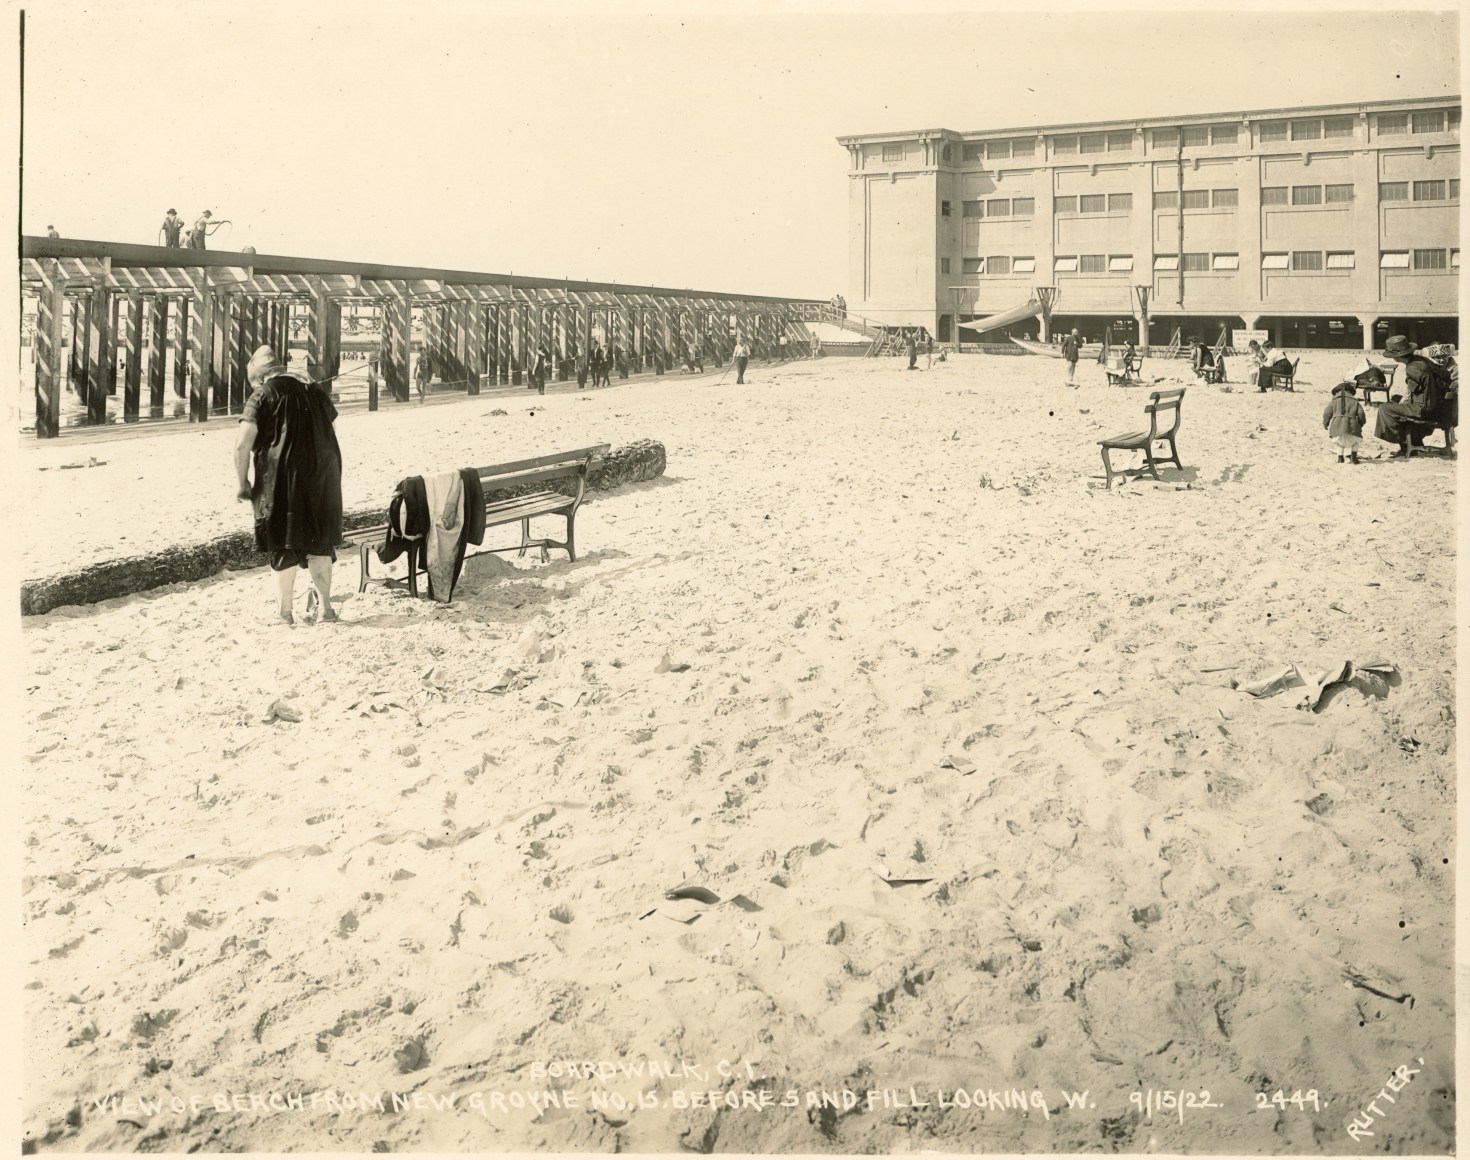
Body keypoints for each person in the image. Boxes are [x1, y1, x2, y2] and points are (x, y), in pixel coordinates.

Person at [234, 345, 343, 625]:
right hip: (322, 476)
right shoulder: (312, 390)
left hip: (279, 479)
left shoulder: (261, 395)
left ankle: (285, 614)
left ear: (259, 377)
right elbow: (329, 420)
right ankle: (326, 610)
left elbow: (242, 446)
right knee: (319, 543)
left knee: (283, 542)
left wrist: (242, 482)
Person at [1375, 334, 1452, 457]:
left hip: (1426, 410)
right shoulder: (1420, 360)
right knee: (1396, 399)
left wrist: (1402, 404)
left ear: (1397, 356)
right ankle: (1413, 441)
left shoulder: (1412, 368)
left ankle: (1405, 444)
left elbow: (1411, 394)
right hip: (1439, 406)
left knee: (1385, 408)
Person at [1322, 381, 1366, 464]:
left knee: (1338, 443)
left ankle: (1340, 457)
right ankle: (1354, 456)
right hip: (1352, 426)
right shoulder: (1355, 401)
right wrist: (1361, 423)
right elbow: (1361, 414)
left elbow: (1327, 413)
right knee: (1355, 442)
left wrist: (1325, 423)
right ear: (1350, 392)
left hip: (1337, 426)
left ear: (1337, 392)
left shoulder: (1334, 401)